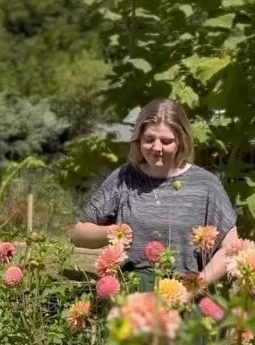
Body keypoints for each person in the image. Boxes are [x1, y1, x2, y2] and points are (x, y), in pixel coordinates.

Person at [70, 98, 239, 293]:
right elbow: (78, 234)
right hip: (132, 295)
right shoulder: (124, 178)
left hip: (185, 297)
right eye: (149, 139)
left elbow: (231, 247)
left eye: (166, 141)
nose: (156, 148)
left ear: (181, 141)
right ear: (138, 139)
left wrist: (195, 286)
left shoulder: (205, 185)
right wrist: (111, 232)